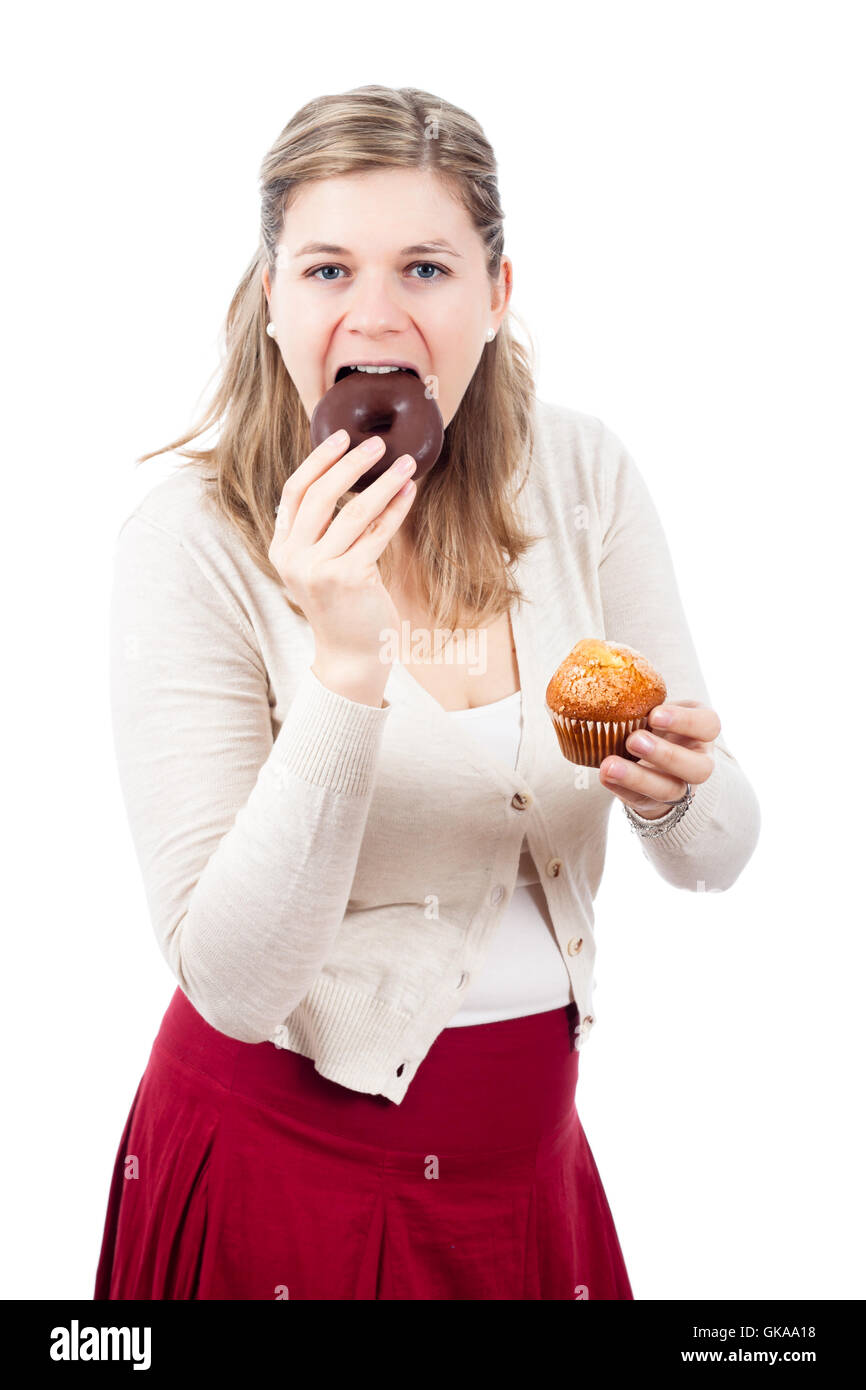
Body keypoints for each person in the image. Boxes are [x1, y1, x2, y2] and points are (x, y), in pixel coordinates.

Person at [93, 84, 761, 1302]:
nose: (377, 315)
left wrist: (675, 796)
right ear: (270, 299)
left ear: (497, 296)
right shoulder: (185, 541)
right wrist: (345, 667)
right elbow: (234, 987)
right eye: (329, 269)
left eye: (426, 268)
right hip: (276, 1174)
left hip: (528, 1174)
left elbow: (717, 851)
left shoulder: (577, 475)